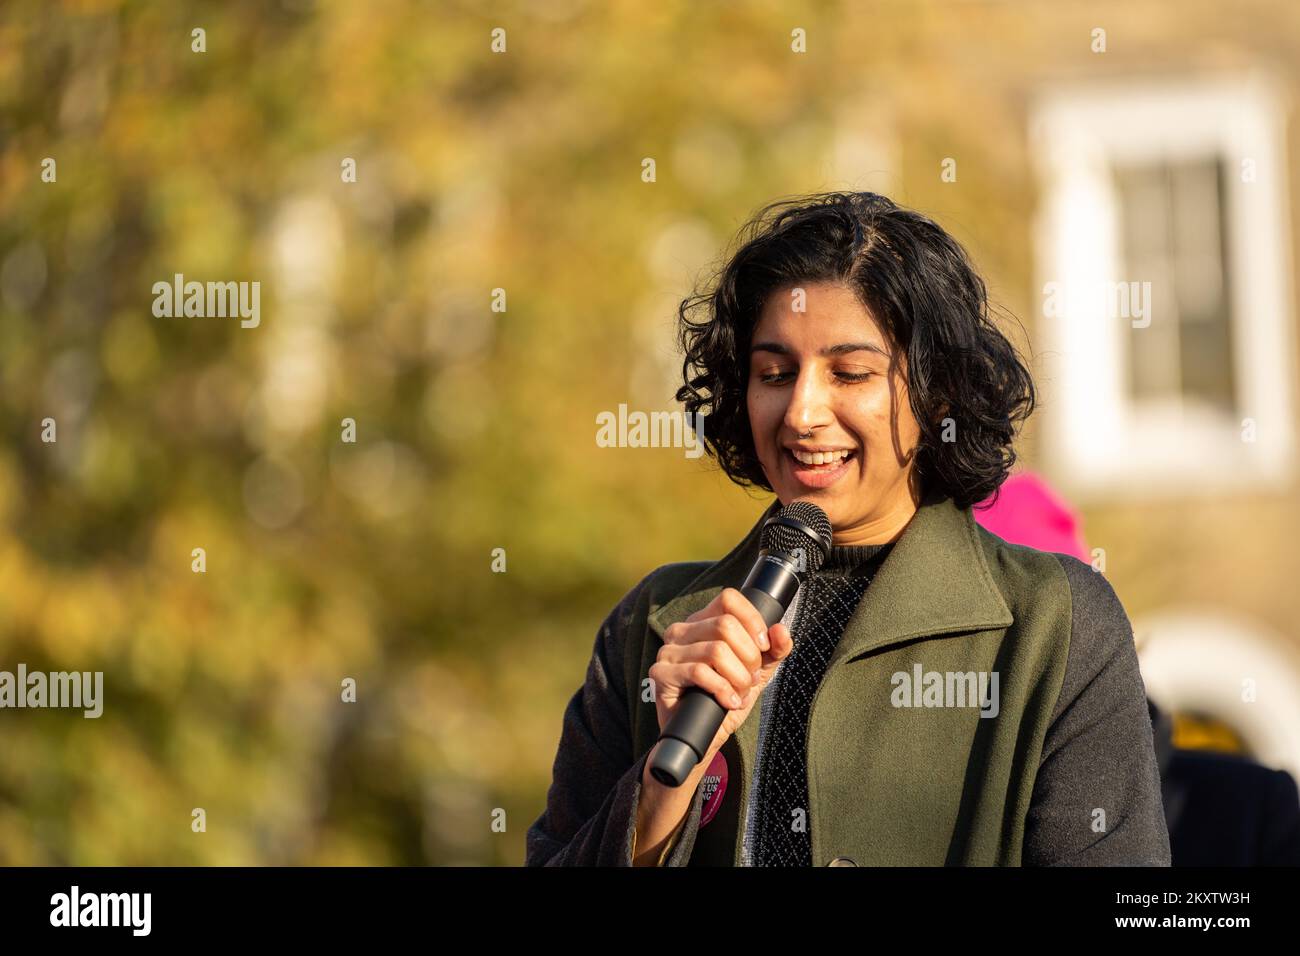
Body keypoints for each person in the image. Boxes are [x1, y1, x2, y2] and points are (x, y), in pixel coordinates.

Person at [525, 191, 1171, 866]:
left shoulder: (1053, 624)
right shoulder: (655, 626)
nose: (802, 412)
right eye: (774, 373)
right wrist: (662, 793)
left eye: (850, 374)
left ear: (936, 391)